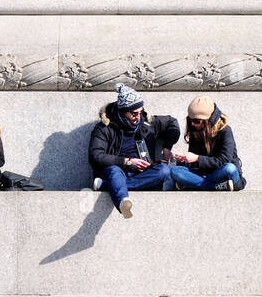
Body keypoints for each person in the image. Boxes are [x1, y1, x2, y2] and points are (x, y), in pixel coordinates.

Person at [88, 83, 179, 219]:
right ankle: (123, 201)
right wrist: (127, 161)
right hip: (118, 170)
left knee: (164, 171)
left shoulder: (146, 123)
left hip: (143, 173)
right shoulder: (105, 128)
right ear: (123, 111)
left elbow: (172, 123)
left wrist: (167, 147)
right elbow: (95, 156)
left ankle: (107, 186)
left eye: (140, 112)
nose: (138, 117)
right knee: (114, 172)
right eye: (134, 113)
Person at [170, 95, 245, 192]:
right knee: (176, 171)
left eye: (196, 121)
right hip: (205, 175)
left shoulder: (225, 130)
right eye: (190, 120)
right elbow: (195, 166)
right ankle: (214, 187)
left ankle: (194, 184)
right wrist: (185, 160)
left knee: (230, 169)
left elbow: (224, 160)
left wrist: (197, 158)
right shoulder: (195, 130)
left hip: (221, 173)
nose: (192, 124)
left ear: (207, 120)